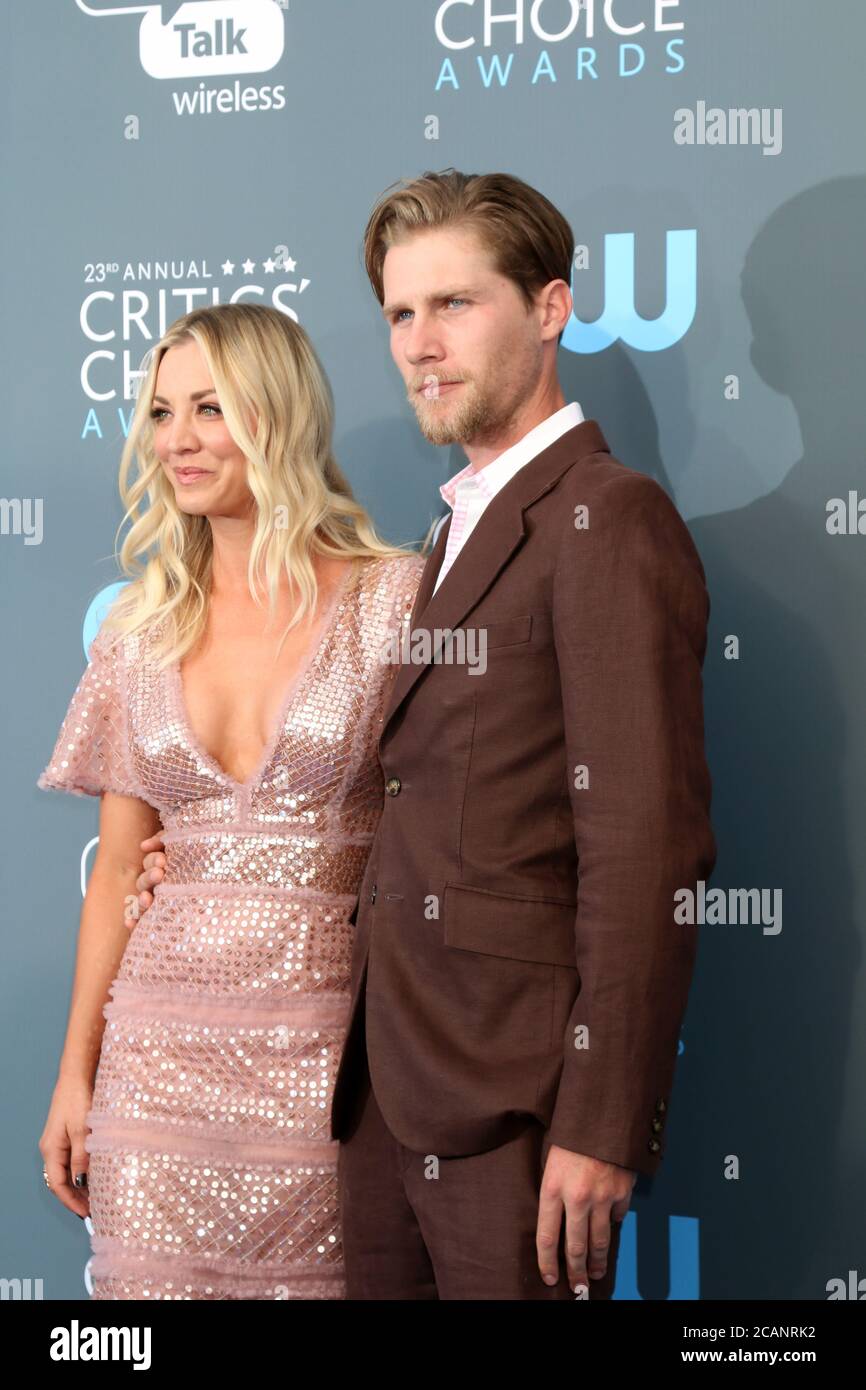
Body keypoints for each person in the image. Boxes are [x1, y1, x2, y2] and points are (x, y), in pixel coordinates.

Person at [132, 168, 717, 1301]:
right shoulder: (442, 543)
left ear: (548, 310)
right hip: (383, 1092)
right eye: (400, 313)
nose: (418, 343)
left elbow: (647, 849)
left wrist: (600, 1125)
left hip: (519, 1106)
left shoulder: (601, 515)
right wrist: (214, 864)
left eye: (454, 305)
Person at [37, 301, 424, 1300]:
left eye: (209, 407)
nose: (177, 439)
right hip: (155, 1071)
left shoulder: (395, 600)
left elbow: (450, 822)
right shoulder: (140, 626)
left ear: (278, 413)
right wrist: (76, 1074)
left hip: (331, 1067)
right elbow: (119, 868)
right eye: (162, 412)